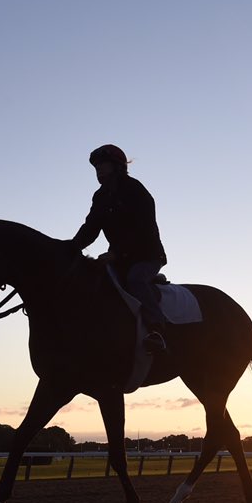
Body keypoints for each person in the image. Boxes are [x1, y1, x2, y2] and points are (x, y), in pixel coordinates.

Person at [71, 144, 169, 354]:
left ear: (117, 166)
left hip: (147, 255)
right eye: (96, 167)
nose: (98, 171)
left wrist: (116, 253)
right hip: (118, 258)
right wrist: (70, 248)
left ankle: (157, 330)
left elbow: (143, 230)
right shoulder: (100, 197)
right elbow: (90, 228)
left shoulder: (135, 190)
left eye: (102, 166)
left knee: (135, 279)